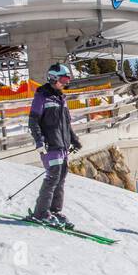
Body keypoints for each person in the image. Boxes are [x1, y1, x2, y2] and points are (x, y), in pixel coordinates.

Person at [27, 62, 82, 227]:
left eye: (67, 80)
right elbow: (33, 121)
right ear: (53, 78)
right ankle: (41, 213)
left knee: (61, 178)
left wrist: (74, 139)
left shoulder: (61, 98)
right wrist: (39, 141)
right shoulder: (42, 96)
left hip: (62, 145)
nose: (66, 83)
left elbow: (66, 123)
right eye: (64, 80)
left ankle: (55, 211)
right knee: (53, 177)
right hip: (50, 146)